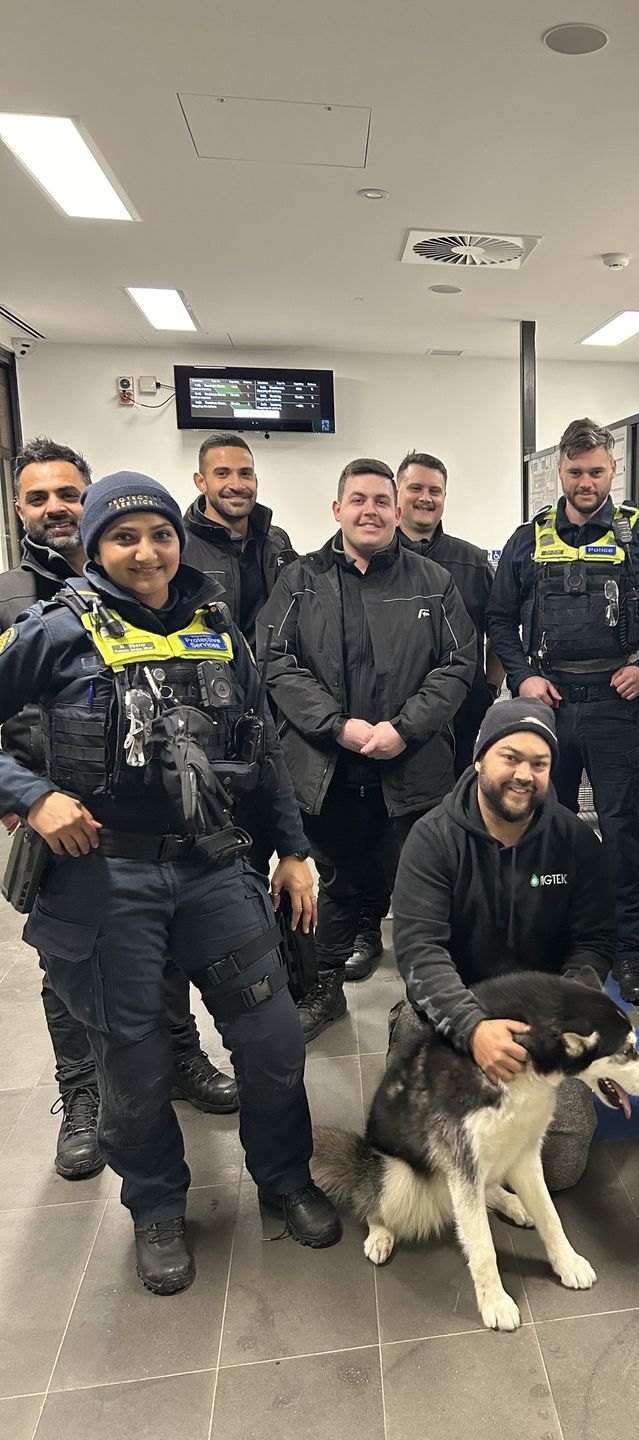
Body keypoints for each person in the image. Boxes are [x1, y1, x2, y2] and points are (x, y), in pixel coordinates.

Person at [0, 472, 340, 1295]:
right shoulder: (51, 632)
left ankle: (286, 1178)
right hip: (102, 876)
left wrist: (293, 851)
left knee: (271, 1041)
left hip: (213, 868)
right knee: (135, 1062)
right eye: (125, 537)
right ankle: (156, 1208)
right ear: (95, 547)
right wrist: (33, 795)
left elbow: (261, 759)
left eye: (158, 534)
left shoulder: (219, 631)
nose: (146, 551)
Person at [0, 439, 236, 1187]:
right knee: (75, 972)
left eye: (68, 494)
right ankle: (84, 1097)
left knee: (156, 953)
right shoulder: (13, 595)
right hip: (50, 813)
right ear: (20, 508)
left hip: (143, 813)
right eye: (38, 498)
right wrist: (25, 799)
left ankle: (178, 1059)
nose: (55, 508)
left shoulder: (147, 583)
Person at [262, 457, 475, 1036]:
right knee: (331, 889)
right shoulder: (298, 581)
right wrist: (338, 726)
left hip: (411, 771)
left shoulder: (434, 584)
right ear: (338, 509)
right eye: (358, 499)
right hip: (327, 771)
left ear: (397, 511)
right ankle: (321, 990)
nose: (370, 510)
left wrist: (403, 728)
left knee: (422, 895)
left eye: (382, 501)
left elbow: (459, 665)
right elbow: (275, 663)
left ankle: (425, 1002)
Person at [487, 417, 639, 1008]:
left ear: (613, 470)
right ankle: (551, 943)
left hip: (614, 707)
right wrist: (523, 675)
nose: (585, 482)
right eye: (575, 472)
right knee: (541, 829)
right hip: (547, 708)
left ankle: (626, 953)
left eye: (596, 471)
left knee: (622, 833)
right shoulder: (529, 539)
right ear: (560, 471)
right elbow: (499, 619)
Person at [391, 697, 614, 1189]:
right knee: (421, 1152)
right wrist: (473, 1029)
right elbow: (420, 950)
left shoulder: (575, 842)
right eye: (510, 757)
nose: (523, 775)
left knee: (557, 1171)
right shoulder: (432, 840)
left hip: (544, 1021)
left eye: (539, 764)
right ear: (479, 760)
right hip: (456, 1002)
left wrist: (564, 1019)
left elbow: (593, 942)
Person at [396, 450, 504, 775]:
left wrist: (491, 688)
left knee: (461, 809)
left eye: (435, 491)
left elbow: (499, 629)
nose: (425, 498)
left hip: (464, 716)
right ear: (397, 493)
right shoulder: (374, 561)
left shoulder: (472, 562)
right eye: (416, 488)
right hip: (395, 718)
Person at [182, 432, 296, 648]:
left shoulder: (278, 542)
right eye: (222, 474)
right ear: (201, 482)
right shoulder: (179, 548)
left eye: (245, 474)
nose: (237, 484)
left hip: (275, 676)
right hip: (214, 677)